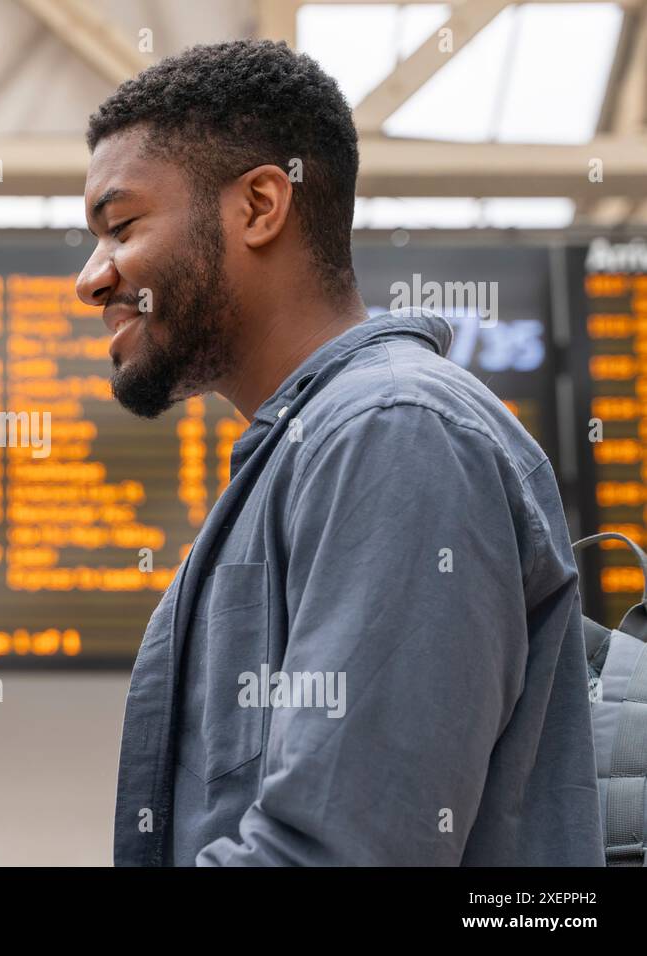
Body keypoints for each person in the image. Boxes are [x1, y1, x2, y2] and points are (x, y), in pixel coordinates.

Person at [75, 39, 603, 866]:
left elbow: (341, 851)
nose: (90, 279)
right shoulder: (316, 446)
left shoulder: (395, 434)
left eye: (121, 226)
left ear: (258, 206)